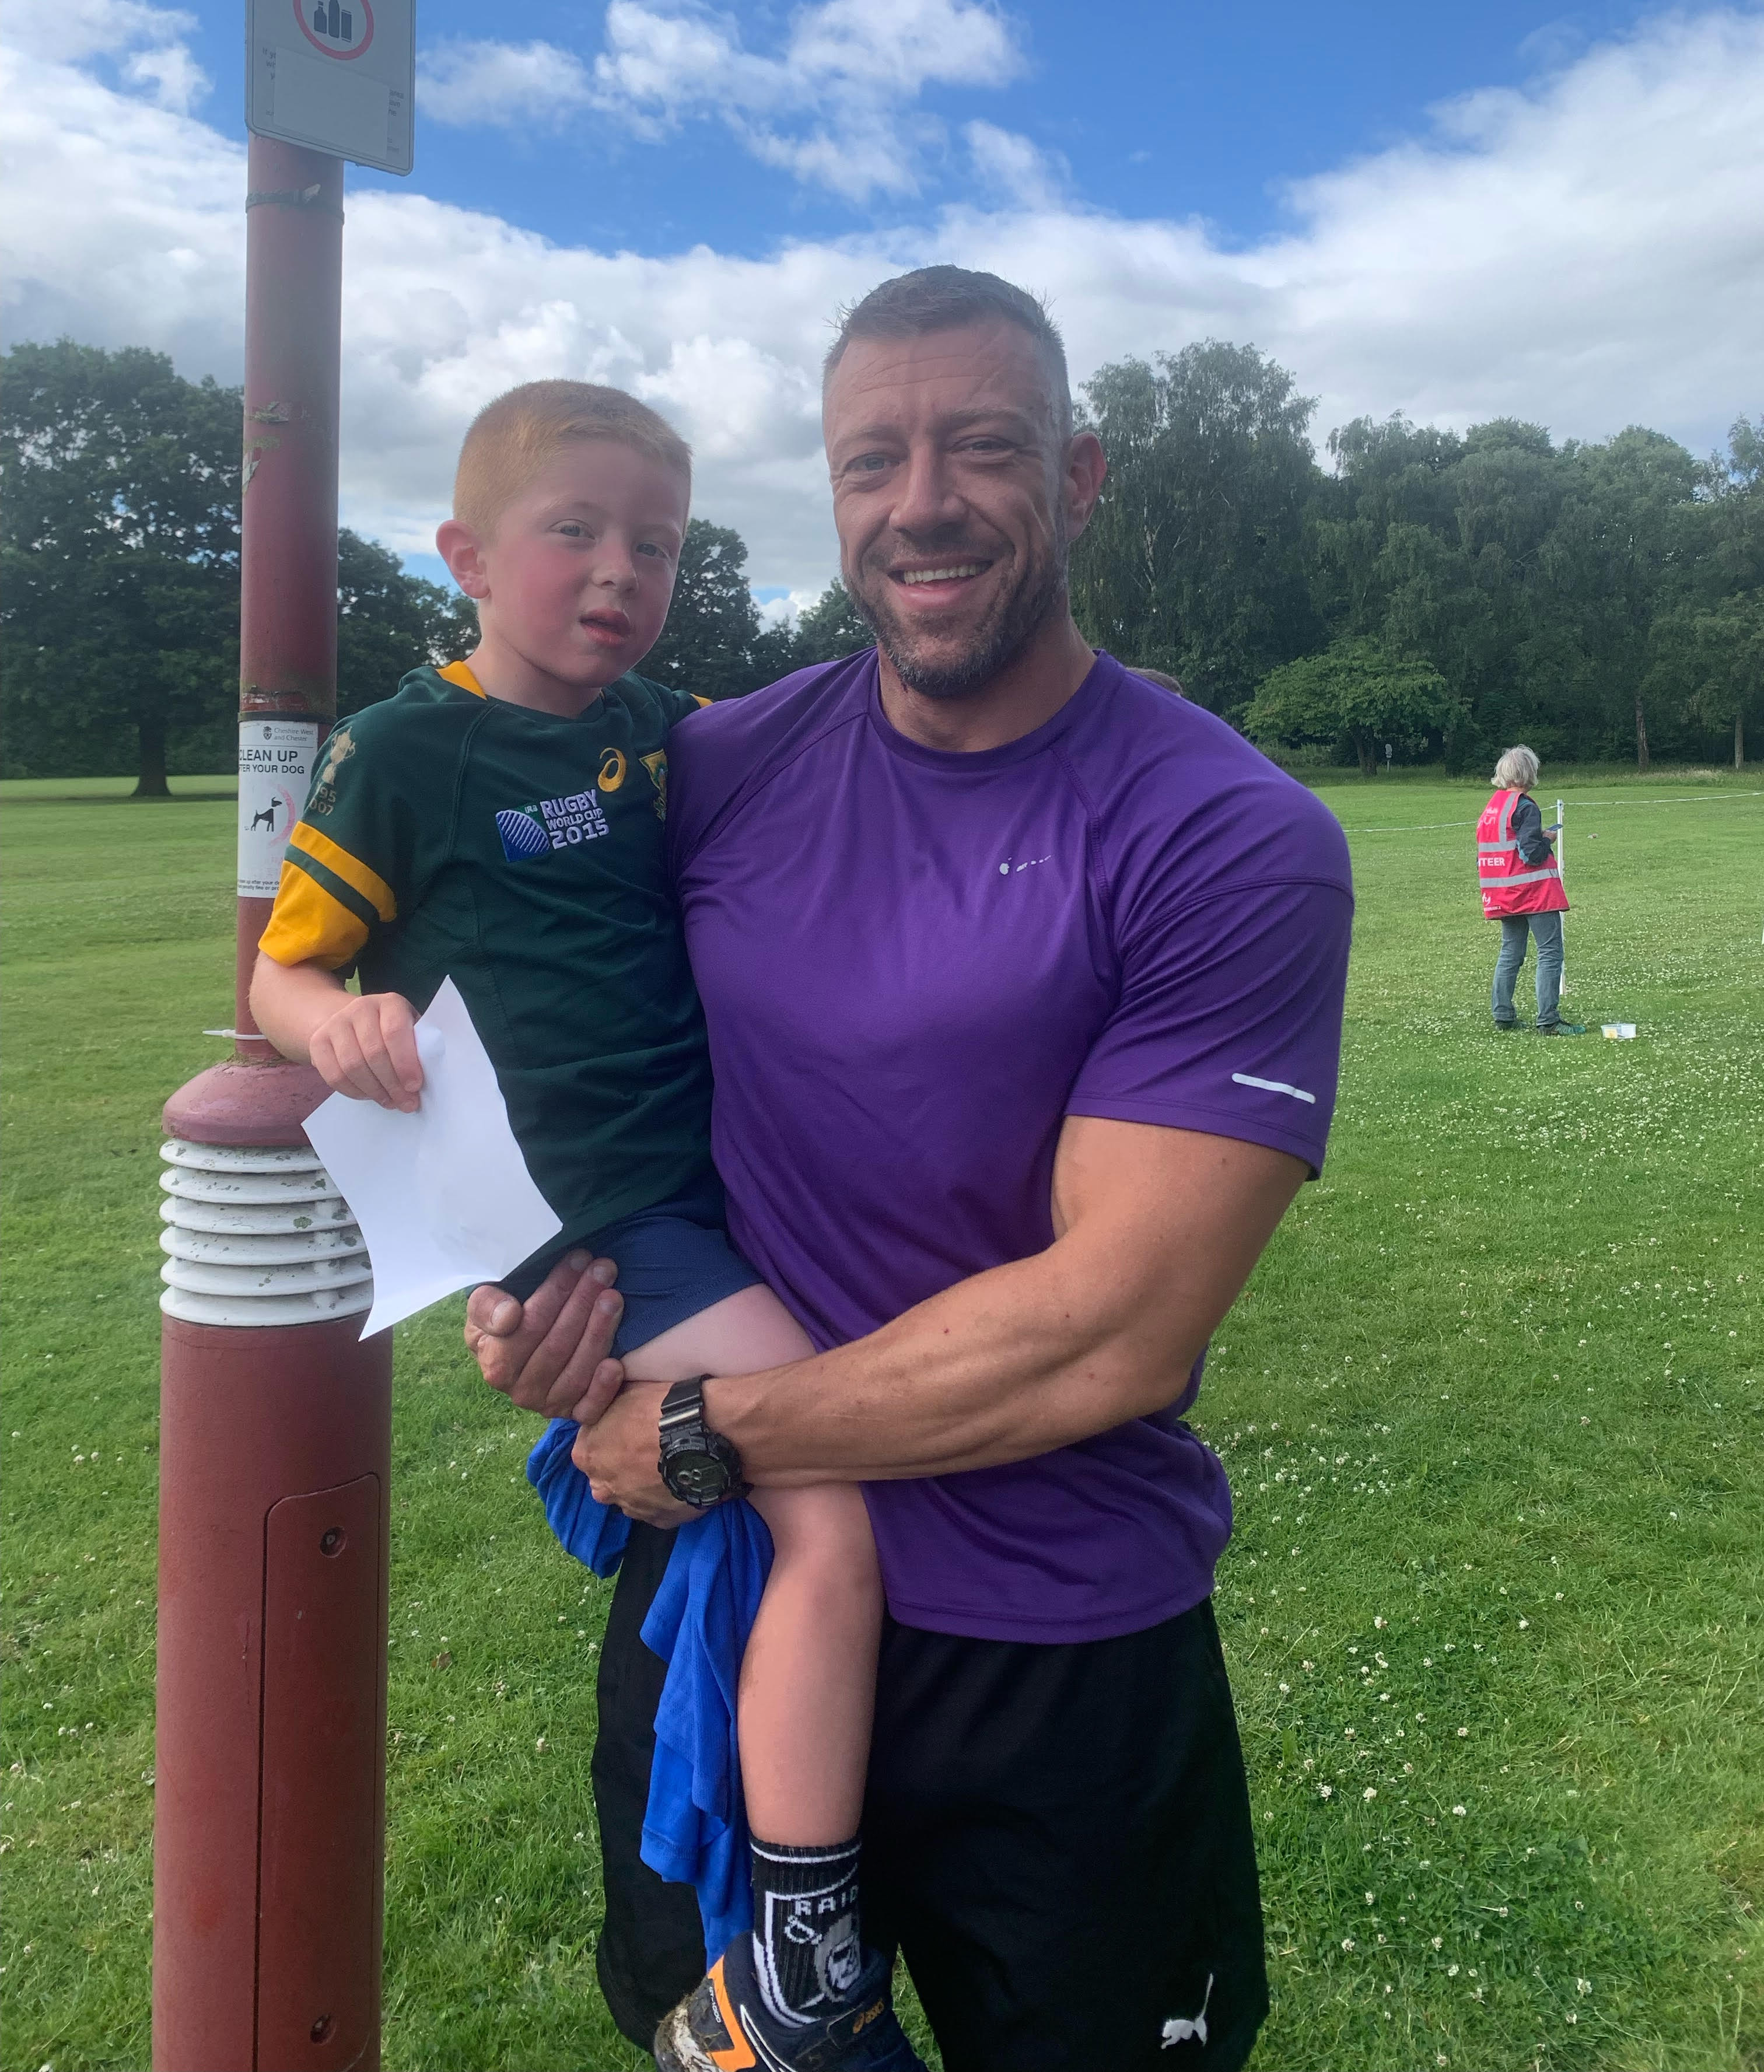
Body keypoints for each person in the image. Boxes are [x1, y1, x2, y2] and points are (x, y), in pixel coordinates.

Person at [467, 268, 1356, 2072]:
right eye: (874, 460)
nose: (923, 501)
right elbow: (539, 1030)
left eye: (983, 448)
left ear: (1083, 474)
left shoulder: (1227, 835)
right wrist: (538, 1294)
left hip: (1059, 1649)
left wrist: (713, 1431)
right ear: (833, 488)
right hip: (731, 1605)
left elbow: (1110, 1331)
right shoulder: (711, 765)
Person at [247, 380, 922, 2071]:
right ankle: (800, 1947)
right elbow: (280, 963)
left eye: (657, 545)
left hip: (698, 1193)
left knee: (767, 1516)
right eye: (577, 535)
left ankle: (753, 1923)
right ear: (467, 553)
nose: (621, 574)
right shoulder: (412, 748)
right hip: (597, 1223)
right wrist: (326, 1022)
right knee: (833, 1512)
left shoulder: (663, 734)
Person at [1476, 744, 1584, 1035]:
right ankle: (1548, 1020)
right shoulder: (1525, 807)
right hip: (1533, 891)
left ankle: (1503, 1015)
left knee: (1510, 952)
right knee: (1550, 952)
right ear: (1529, 773)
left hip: (1502, 891)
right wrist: (1546, 838)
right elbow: (1530, 854)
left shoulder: (1493, 808)